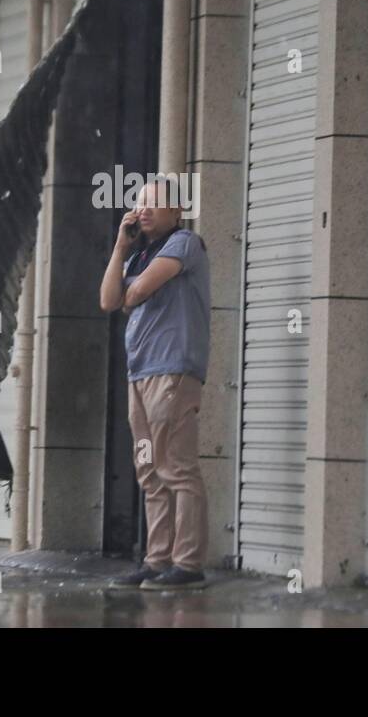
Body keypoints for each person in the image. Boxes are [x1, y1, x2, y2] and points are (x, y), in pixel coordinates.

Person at [98, 174, 210, 590]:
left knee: (177, 467)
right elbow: (110, 299)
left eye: (153, 203)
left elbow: (137, 293)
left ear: (177, 211)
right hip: (140, 372)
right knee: (149, 470)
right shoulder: (136, 256)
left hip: (173, 371)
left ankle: (188, 564)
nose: (143, 210)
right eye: (139, 203)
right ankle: (157, 560)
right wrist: (120, 246)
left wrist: (132, 288)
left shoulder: (185, 243)